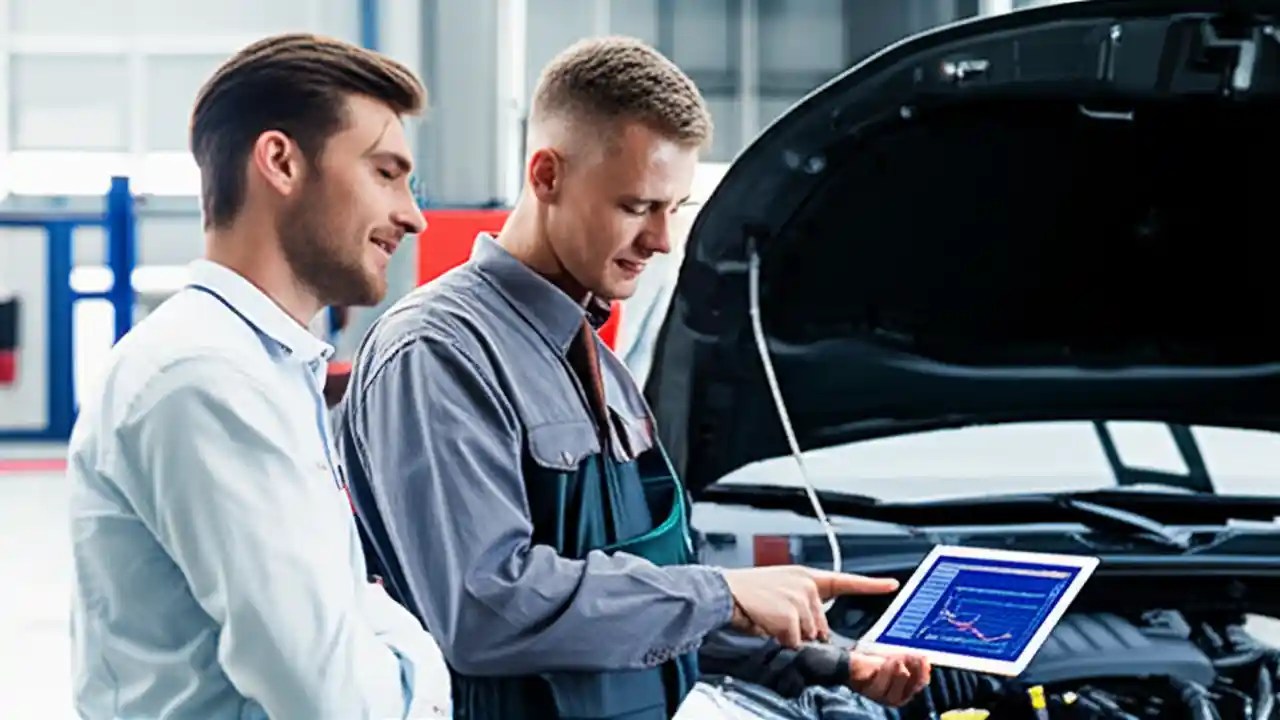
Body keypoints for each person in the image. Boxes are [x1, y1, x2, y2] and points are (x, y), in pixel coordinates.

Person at [333, 35, 931, 719]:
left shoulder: (600, 367)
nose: (662, 240)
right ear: (546, 175)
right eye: (636, 205)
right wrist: (724, 592)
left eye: (672, 209)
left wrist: (827, 663)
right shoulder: (438, 353)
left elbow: (647, 613)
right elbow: (484, 607)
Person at [66, 33, 449, 720]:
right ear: (280, 162)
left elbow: (345, 603)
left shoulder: (261, 368)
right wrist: (426, 668)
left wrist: (379, 634)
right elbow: (333, 698)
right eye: (385, 173)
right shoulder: (204, 378)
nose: (412, 215)